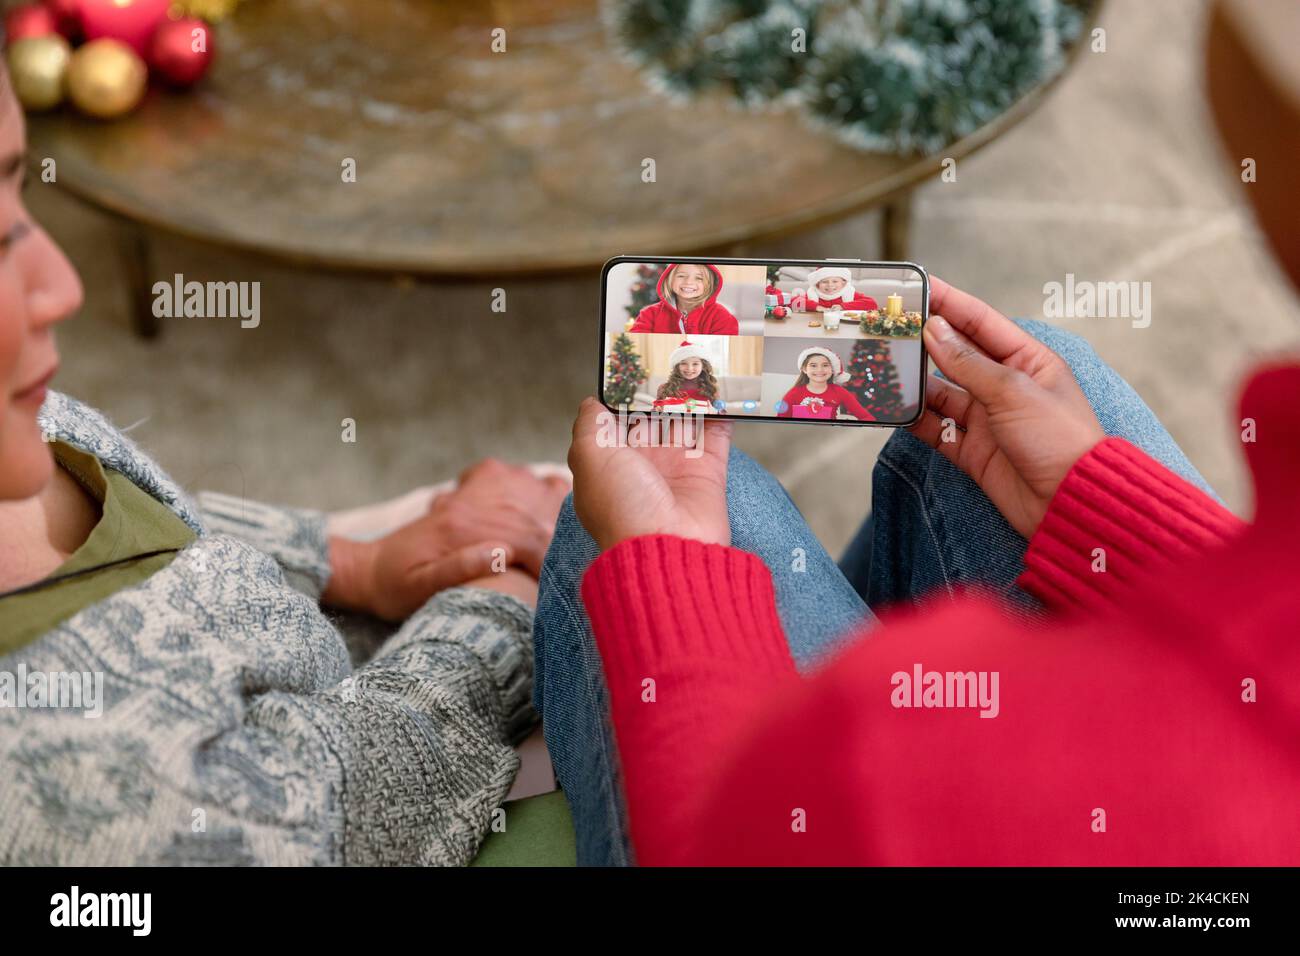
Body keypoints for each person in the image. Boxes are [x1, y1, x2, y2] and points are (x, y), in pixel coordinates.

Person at [0, 66, 568, 865]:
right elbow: (345, 818)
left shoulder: (16, 424)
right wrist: (498, 609)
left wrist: (348, 561)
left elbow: (160, 541)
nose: (62, 285)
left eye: (22, 190)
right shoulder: (46, 784)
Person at [534, 277, 1299, 866]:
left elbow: (737, 835)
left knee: (669, 499)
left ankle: (796, 628)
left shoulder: (904, 773)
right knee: (1011, 391)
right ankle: (835, 616)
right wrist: (1106, 508)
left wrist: (670, 576)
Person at [627, 263, 740, 335]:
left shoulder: (722, 317)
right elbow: (637, 339)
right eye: (681, 276)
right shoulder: (649, 314)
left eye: (699, 278)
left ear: (710, 285)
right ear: (669, 280)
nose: (688, 282)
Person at [776, 347, 874, 420]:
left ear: (832, 369)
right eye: (813, 365)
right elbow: (780, 421)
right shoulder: (793, 394)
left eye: (825, 365)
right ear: (804, 369)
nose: (820, 370)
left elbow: (866, 417)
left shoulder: (839, 392)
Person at [653, 342, 718, 411]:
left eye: (695, 364)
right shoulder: (664, 388)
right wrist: (658, 411)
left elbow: (720, 413)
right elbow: (654, 414)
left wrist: (714, 414)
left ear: (703, 366)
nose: (689, 368)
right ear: (677, 366)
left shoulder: (711, 389)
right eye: (683, 363)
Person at [801, 266, 877, 312]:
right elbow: (792, 301)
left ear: (843, 283)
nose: (830, 285)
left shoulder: (849, 292)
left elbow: (872, 304)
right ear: (817, 284)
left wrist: (843, 306)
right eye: (824, 282)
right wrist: (816, 307)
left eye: (835, 281)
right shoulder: (812, 293)